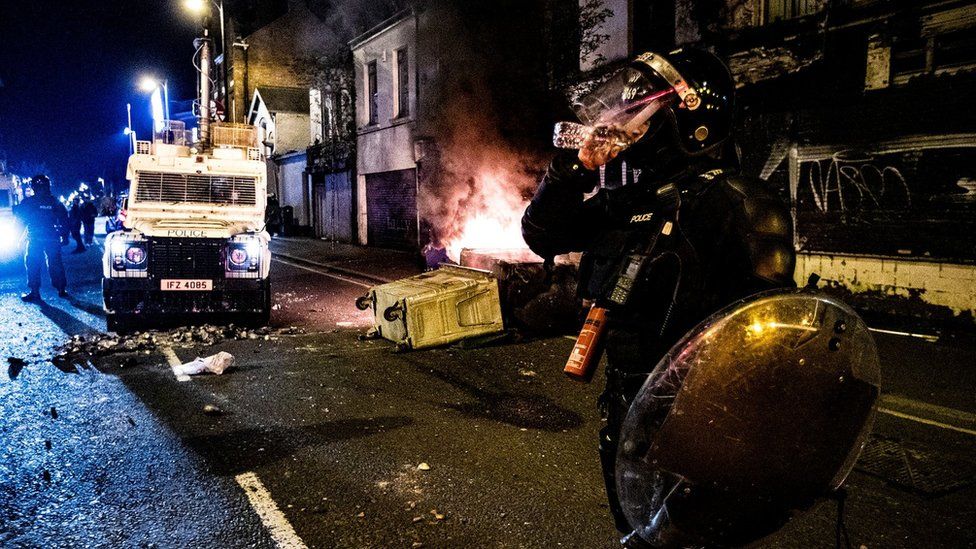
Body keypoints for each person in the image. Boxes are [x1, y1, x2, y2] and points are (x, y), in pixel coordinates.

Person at [521, 48, 796, 545]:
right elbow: (541, 234)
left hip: (701, 423)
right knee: (635, 531)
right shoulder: (629, 201)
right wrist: (574, 169)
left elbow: (772, 344)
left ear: (691, 117)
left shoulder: (739, 203)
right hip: (629, 409)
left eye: (644, 113)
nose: (629, 126)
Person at [15, 175, 70, 301]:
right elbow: (64, 220)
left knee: (33, 263)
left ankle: (35, 292)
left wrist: (17, 239)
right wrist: (65, 236)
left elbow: (20, 222)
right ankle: (61, 289)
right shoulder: (54, 201)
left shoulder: (28, 202)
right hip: (51, 237)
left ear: (33, 187)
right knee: (55, 263)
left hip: (35, 238)